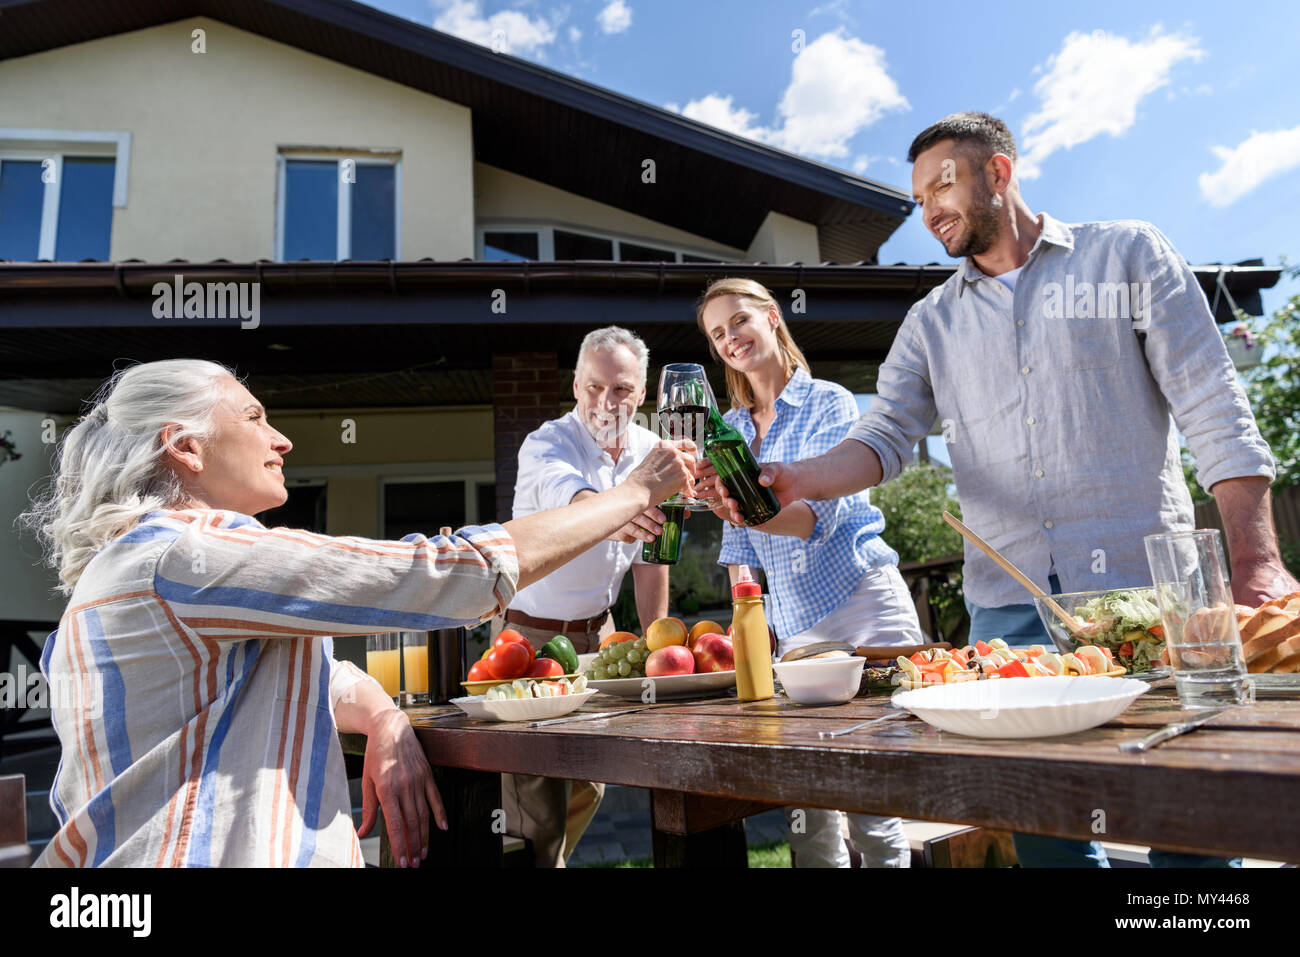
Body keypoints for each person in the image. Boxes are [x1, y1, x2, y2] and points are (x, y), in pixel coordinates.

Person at [720, 112, 1299, 868]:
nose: (928, 210)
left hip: (1146, 596)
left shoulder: (1126, 254)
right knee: (1049, 835)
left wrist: (1255, 562)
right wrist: (796, 477)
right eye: (919, 197)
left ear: (998, 172)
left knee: (1192, 819)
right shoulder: (930, 322)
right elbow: (884, 435)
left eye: (943, 185)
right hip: (1010, 614)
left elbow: (1212, 403)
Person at [22, 358, 694, 867]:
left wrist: (380, 712)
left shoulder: (116, 581)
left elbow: (307, 678)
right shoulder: (188, 553)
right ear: (187, 447)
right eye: (255, 416)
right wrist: (632, 491)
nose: (281, 439)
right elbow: (444, 573)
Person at [694, 277, 923, 868]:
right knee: (810, 811)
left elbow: (809, 520)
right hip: (794, 625)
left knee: (874, 802)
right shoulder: (729, 427)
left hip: (861, 602)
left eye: (739, 321)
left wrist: (745, 509)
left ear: (772, 316)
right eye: (718, 333)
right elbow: (736, 545)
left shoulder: (831, 402)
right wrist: (750, 619)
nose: (730, 338)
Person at [491, 326, 673, 867]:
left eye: (620, 390)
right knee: (534, 801)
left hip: (601, 634)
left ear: (641, 395)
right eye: (593, 387)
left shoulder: (651, 452)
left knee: (589, 783)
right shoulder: (547, 443)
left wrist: (654, 645)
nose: (604, 402)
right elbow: (574, 500)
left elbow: (650, 561)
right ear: (575, 384)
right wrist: (617, 508)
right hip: (528, 637)